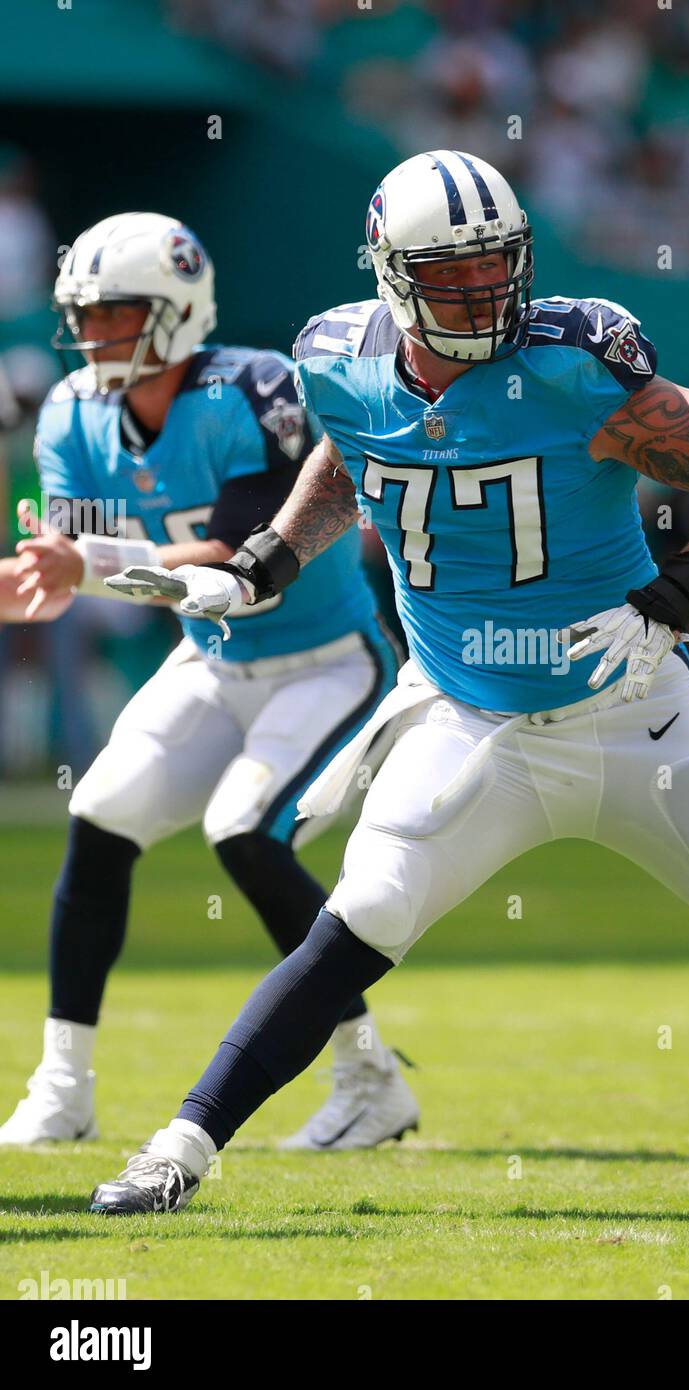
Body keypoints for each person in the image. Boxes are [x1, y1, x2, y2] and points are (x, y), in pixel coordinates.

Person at [89, 151, 689, 1217]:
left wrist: (673, 597)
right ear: (390, 271)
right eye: (449, 271)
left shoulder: (573, 364)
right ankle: (178, 1149)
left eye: (494, 265)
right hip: (472, 724)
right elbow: (350, 453)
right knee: (357, 923)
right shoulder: (337, 358)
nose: (480, 291)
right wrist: (264, 563)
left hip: (637, 718)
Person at [0, 212, 418, 1152]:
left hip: (326, 660)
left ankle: (368, 1076)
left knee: (245, 831)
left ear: (178, 310)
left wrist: (90, 565)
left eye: (116, 313)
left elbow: (236, 558)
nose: (94, 334)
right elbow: (64, 572)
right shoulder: (72, 412)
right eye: (85, 314)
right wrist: (41, 577)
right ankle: (64, 1087)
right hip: (213, 664)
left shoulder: (253, 387)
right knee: (100, 815)